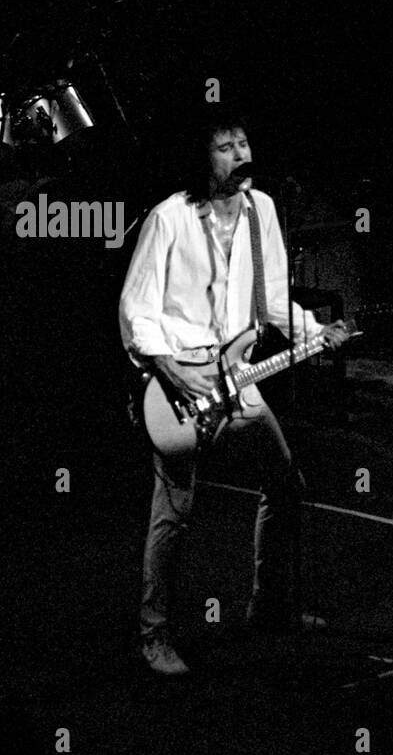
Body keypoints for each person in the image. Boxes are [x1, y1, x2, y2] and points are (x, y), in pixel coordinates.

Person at [119, 109, 350, 675]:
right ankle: (154, 635)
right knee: (174, 511)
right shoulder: (169, 218)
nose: (241, 155)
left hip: (238, 378)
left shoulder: (261, 211)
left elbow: (270, 302)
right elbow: (136, 309)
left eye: (244, 143)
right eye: (226, 147)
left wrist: (318, 335)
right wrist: (172, 369)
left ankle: (269, 607)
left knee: (285, 483)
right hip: (179, 384)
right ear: (203, 158)